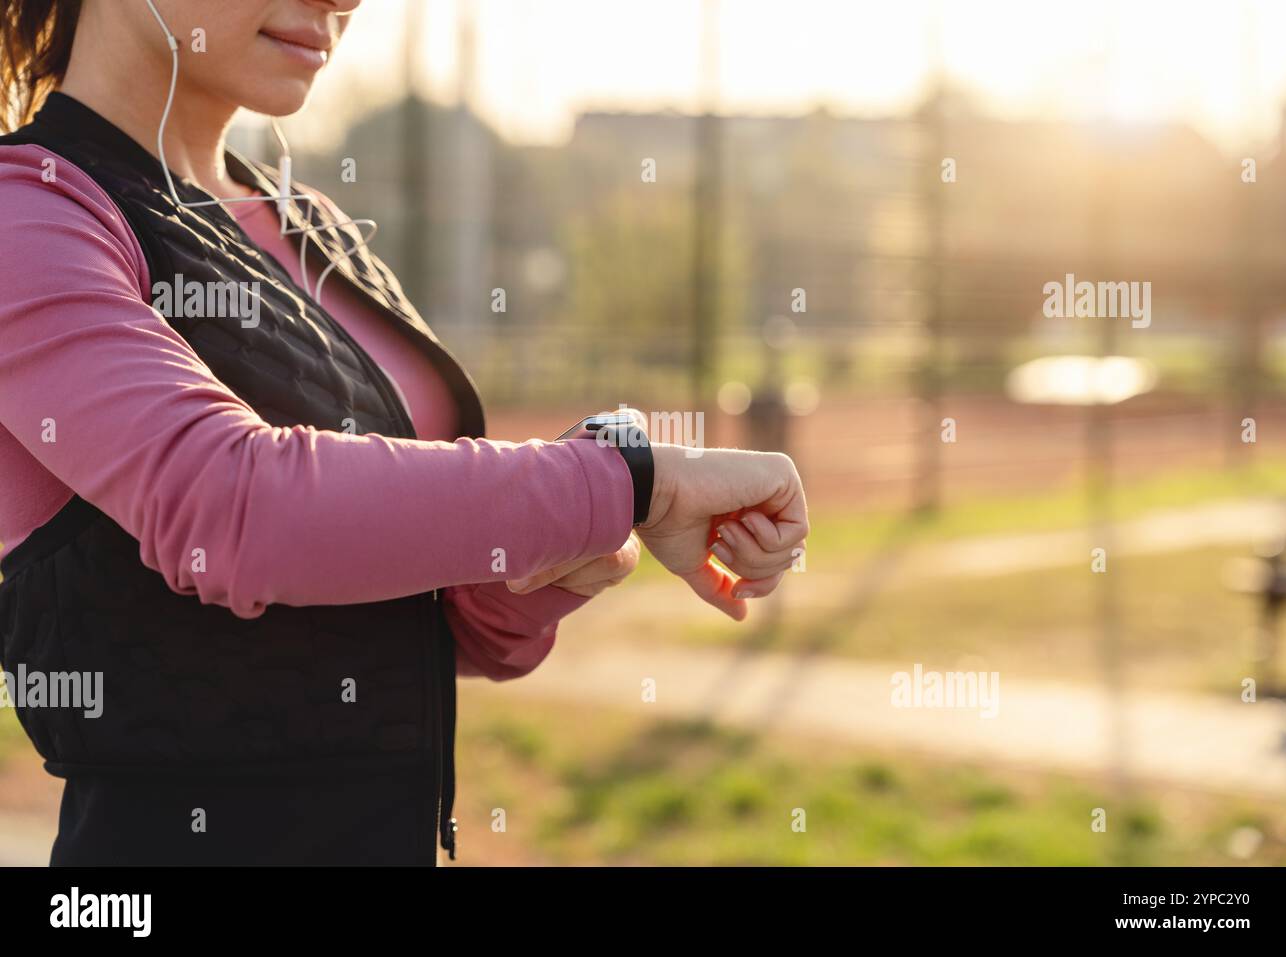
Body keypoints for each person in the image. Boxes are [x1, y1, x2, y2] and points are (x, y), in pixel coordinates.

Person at [0, 0, 809, 864]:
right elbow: (232, 511)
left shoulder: (311, 224)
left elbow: (445, 623)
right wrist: (624, 479)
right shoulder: (32, 213)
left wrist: (575, 548)